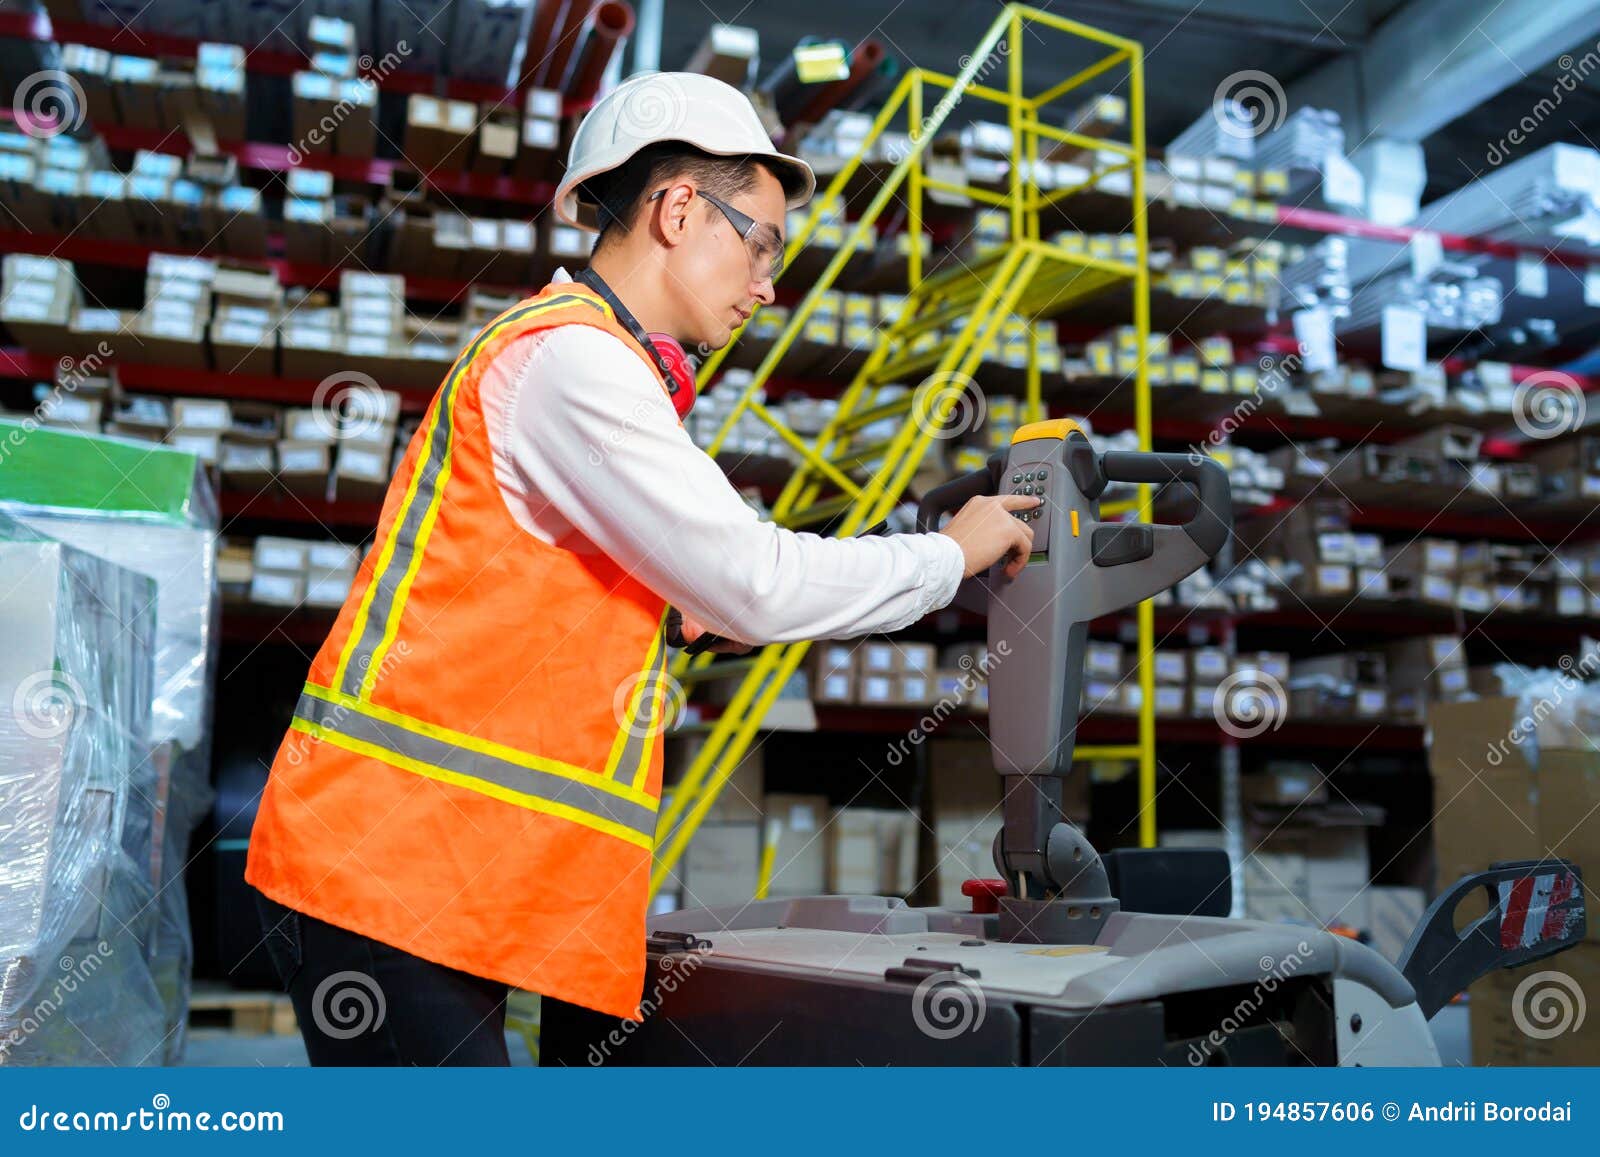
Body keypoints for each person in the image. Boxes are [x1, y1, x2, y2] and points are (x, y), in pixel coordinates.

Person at [244, 71, 1040, 1066]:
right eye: (759, 243)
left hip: (451, 866)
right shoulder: (573, 364)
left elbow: (570, 585)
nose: (765, 286)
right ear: (675, 210)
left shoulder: (587, 360)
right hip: (397, 865)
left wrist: (668, 609)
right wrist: (947, 555)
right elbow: (752, 580)